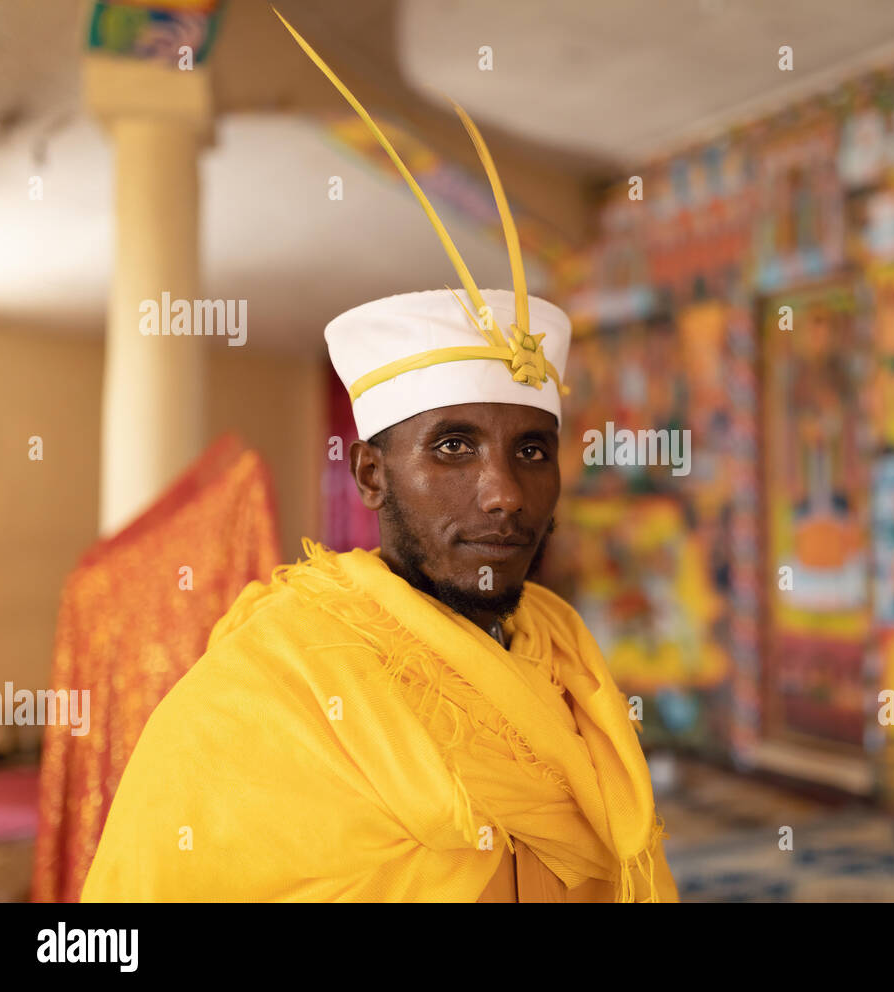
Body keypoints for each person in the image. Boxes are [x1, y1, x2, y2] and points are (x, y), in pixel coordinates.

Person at [80, 9, 677, 903]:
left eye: (531, 450)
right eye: (452, 447)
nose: (505, 495)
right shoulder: (269, 686)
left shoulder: (560, 652)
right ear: (370, 474)